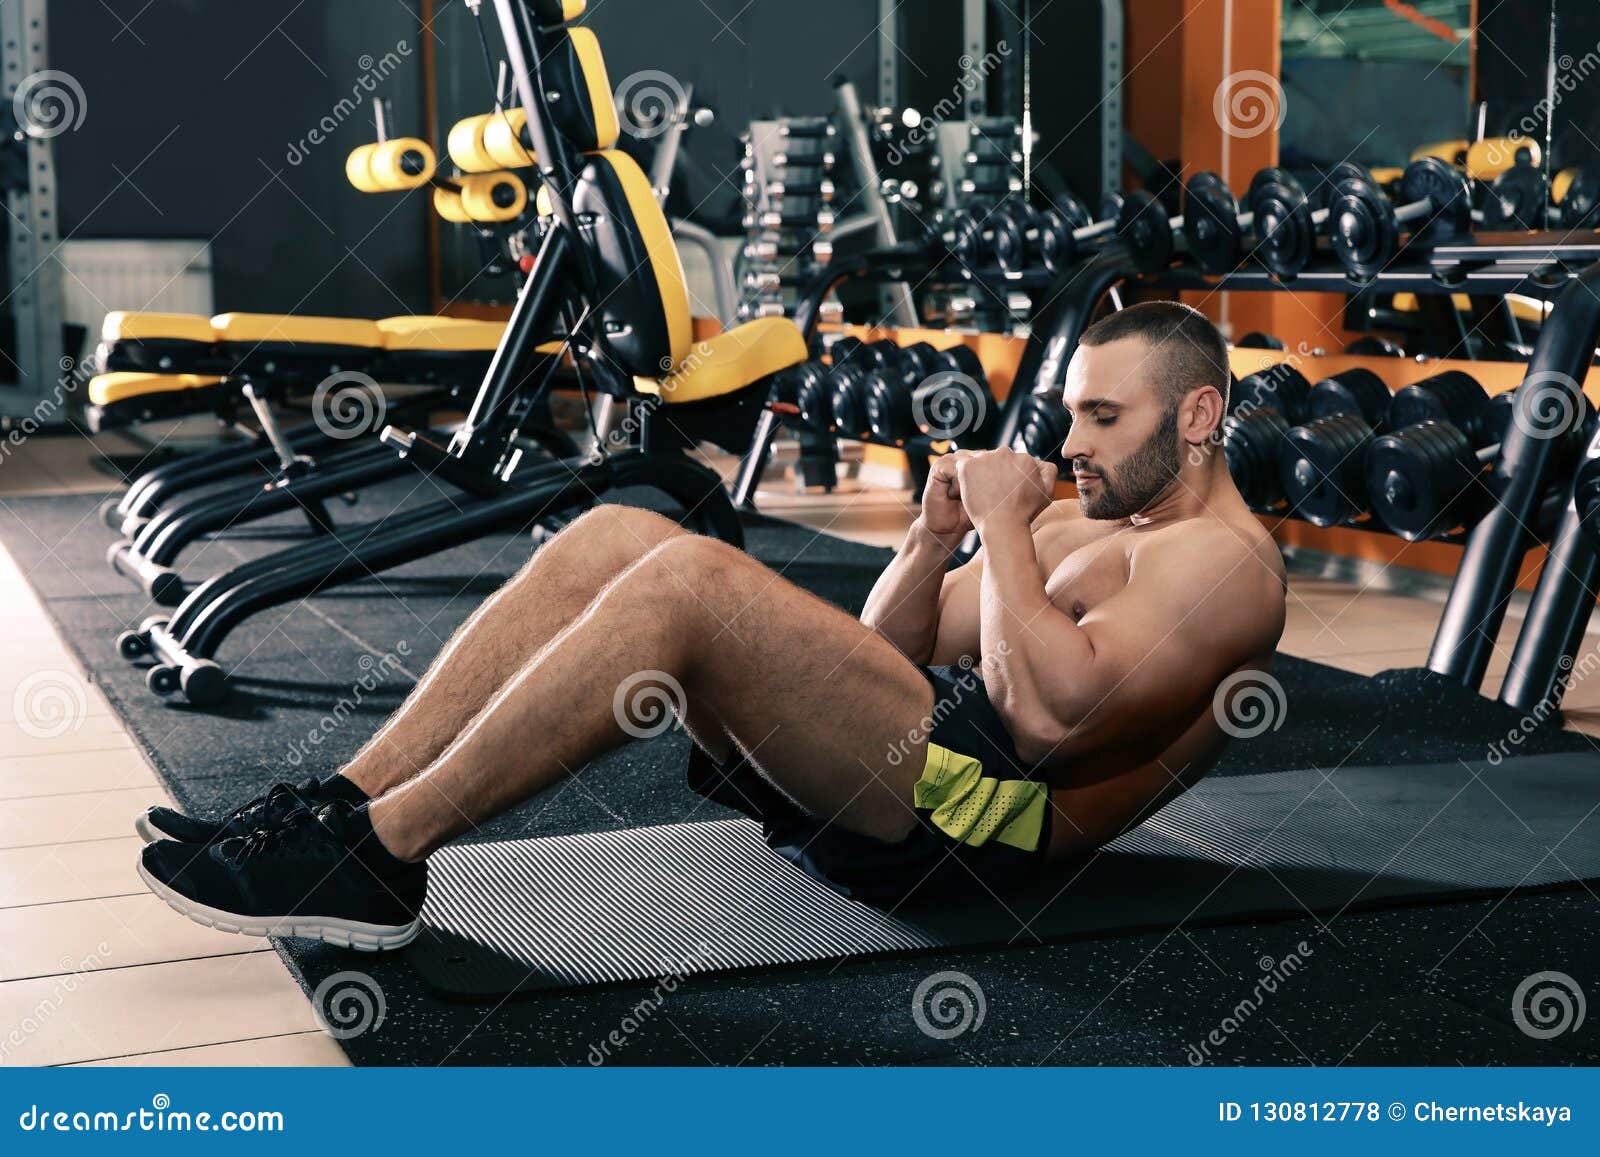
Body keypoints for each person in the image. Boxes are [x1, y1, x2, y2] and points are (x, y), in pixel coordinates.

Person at [135, 301, 1287, 950]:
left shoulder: (1226, 568)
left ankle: (384, 856)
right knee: (614, 537)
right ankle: (343, 808)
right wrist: (940, 537)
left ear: (1196, 414)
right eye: (1071, 412)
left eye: (1101, 415)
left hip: (980, 828)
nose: (1072, 440)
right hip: (915, 769)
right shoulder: (1110, 522)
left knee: (689, 577)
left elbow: (1043, 721)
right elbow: (897, 649)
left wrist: (1014, 532)